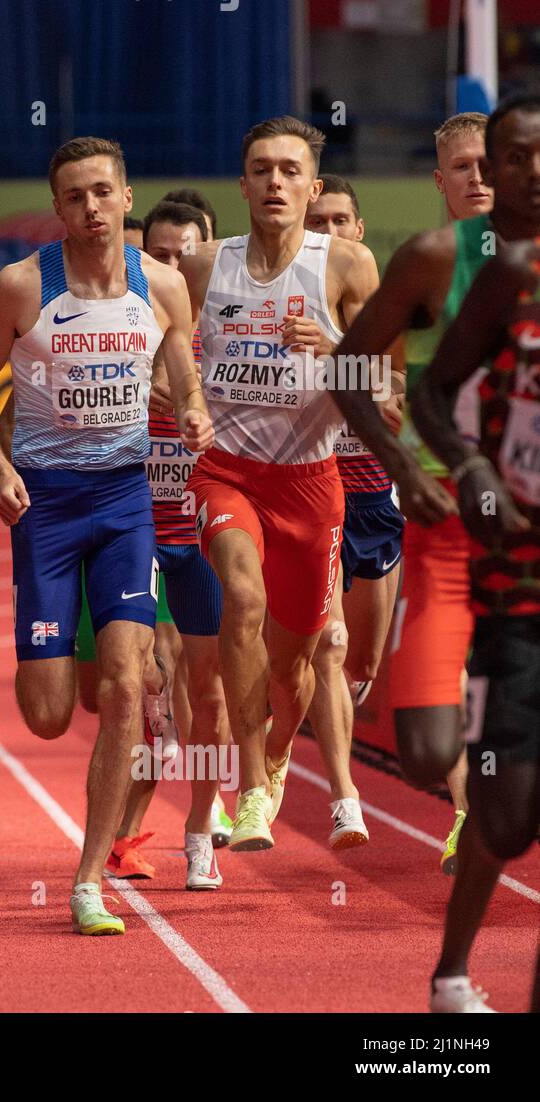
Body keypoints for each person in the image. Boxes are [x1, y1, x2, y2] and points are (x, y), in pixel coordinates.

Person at [0, 137, 213, 934]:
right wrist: (0, 471)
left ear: (127, 196)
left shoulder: (164, 284)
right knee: (47, 714)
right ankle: (45, 648)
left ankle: (88, 876)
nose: (92, 208)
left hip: (126, 500)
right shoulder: (22, 287)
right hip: (48, 508)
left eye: (103, 192)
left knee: (130, 683)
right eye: (75, 196)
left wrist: (195, 411)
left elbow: (181, 374)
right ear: (58, 207)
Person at [333, 93, 540, 1013]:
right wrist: (415, 470)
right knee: (427, 759)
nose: (510, 176)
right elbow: (353, 367)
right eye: (497, 160)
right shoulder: (442, 261)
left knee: (509, 791)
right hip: (456, 544)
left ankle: (456, 975)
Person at [179, 116, 380, 851]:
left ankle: (274, 755)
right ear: (242, 184)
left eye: (290, 171)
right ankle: (251, 785)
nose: (275, 183)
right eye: (261, 169)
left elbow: (384, 388)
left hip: (311, 482)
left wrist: (334, 350)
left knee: (295, 664)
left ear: (313, 186)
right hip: (227, 473)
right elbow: (168, 358)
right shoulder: (203, 267)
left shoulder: (347, 266)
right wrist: (182, 398)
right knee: (242, 598)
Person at [328, 111, 495, 877]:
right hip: (447, 512)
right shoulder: (427, 263)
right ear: (439, 181)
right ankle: (467, 806)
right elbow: (362, 372)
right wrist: (400, 454)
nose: (480, 177)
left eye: (493, 162)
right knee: (425, 742)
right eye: (462, 166)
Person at [413, 179, 540, 1015]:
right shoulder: (513, 277)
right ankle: (451, 971)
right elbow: (431, 392)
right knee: (508, 814)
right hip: (517, 579)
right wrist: (471, 469)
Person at [99, 200, 233, 889]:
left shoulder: (234, 345)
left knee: (206, 697)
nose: (172, 266)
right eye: (159, 254)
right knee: (142, 687)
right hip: (136, 532)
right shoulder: (114, 330)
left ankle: (200, 829)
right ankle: (118, 837)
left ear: (210, 255)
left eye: (186, 254)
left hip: (205, 536)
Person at [299, 174, 393, 848]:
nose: (329, 233)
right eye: (319, 221)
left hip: (373, 497)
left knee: (361, 665)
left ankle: (324, 725)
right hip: (311, 491)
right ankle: (344, 799)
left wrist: (332, 351)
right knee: (328, 647)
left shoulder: (384, 307)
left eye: (340, 221)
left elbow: (390, 400)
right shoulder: (282, 301)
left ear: (358, 230)